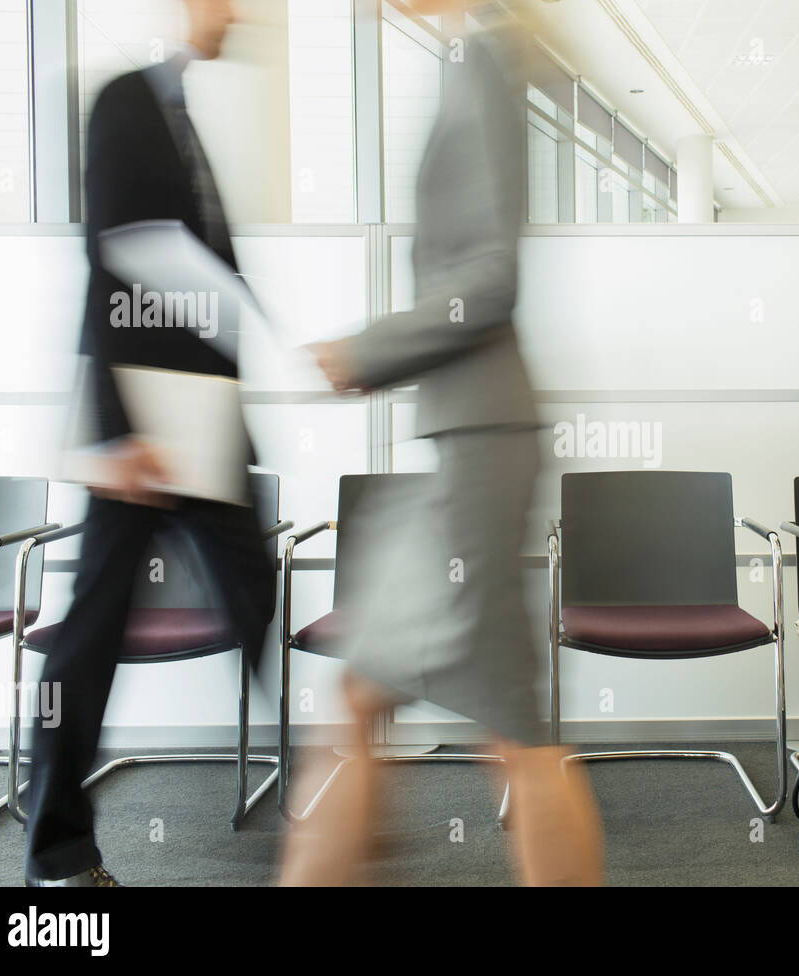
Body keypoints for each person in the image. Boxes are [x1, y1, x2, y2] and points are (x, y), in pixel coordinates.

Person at [278, 0, 604, 886]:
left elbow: (489, 280)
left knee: (506, 727)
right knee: (389, 701)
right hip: (469, 440)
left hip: (481, 440)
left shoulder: (485, 58)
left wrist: (367, 350)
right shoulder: (477, 53)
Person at [24, 0, 277, 886]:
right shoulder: (126, 102)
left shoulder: (184, 116)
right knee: (91, 636)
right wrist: (118, 436)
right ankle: (57, 852)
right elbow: (113, 259)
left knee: (255, 593)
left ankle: (308, 805)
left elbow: (195, 269)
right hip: (145, 434)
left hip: (205, 428)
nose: (235, 13)